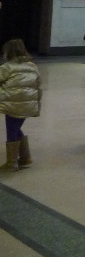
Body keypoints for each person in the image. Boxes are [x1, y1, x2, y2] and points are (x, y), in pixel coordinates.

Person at [0, 39, 41, 172]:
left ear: (8, 53)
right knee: (16, 128)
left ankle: (11, 164)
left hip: (12, 104)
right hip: (28, 104)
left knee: (12, 131)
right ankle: (25, 158)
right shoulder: (32, 66)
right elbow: (38, 84)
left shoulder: (7, 67)